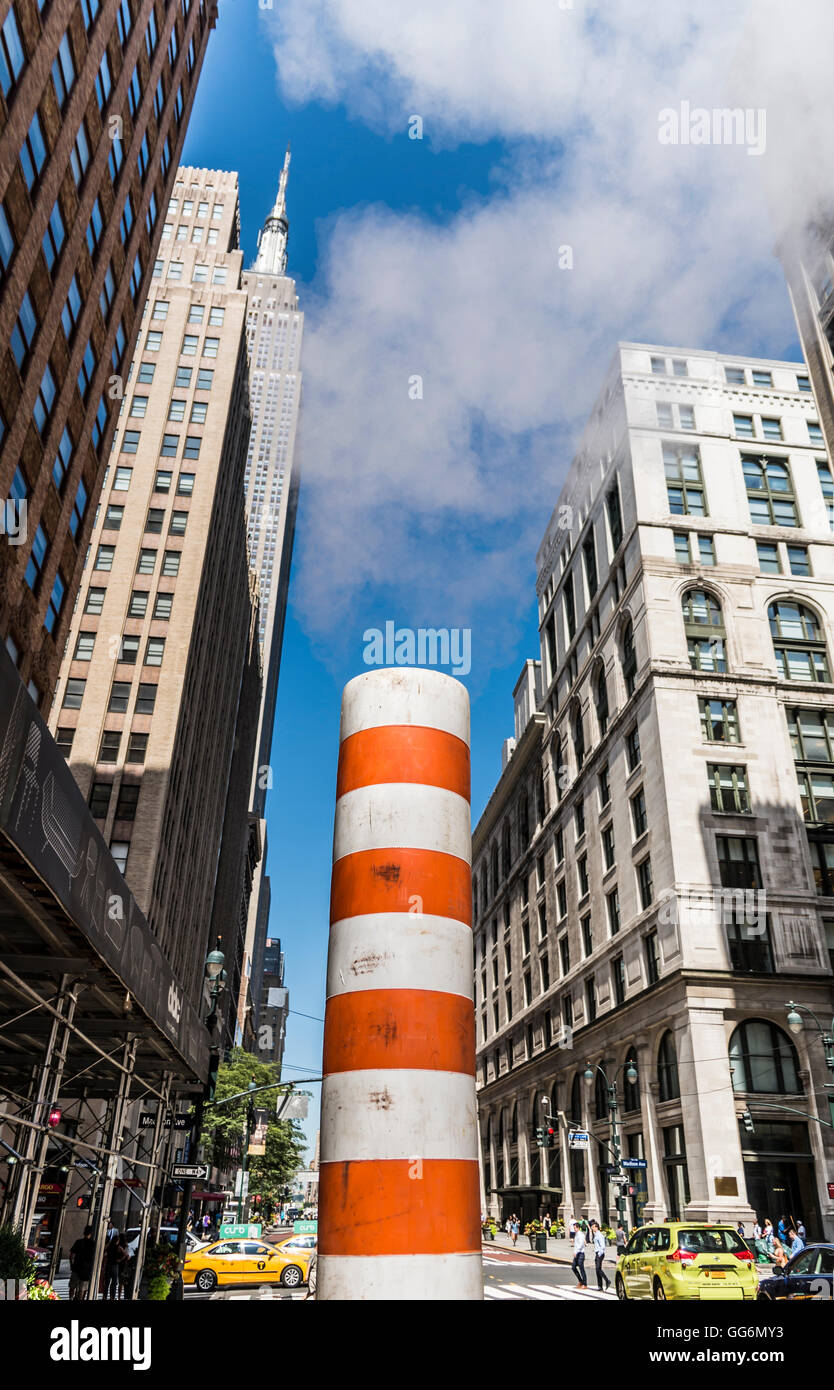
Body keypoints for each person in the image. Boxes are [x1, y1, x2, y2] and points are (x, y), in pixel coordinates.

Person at [68, 1225, 96, 1301]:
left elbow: (71, 1256)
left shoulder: (78, 1242)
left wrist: (72, 1265)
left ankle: (70, 1298)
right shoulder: (93, 1244)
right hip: (86, 1270)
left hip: (76, 1267)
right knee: (82, 1289)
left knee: (72, 1286)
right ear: (91, 1233)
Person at [103, 1227, 126, 1300]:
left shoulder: (109, 1247)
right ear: (118, 1241)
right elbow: (125, 1254)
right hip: (115, 1266)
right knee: (114, 1283)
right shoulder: (119, 1247)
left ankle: (104, 1297)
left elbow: (104, 1251)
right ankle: (112, 1297)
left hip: (108, 1265)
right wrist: (120, 1259)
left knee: (107, 1283)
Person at [591, 1221, 610, 1292]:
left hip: (600, 1254)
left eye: (593, 1227)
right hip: (597, 1253)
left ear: (596, 1227)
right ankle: (600, 1286)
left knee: (598, 1269)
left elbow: (603, 1246)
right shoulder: (596, 1234)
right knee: (597, 1270)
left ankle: (607, 1281)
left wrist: (599, 1254)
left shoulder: (599, 1235)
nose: (592, 1228)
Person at [571, 1221, 587, 1289]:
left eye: (575, 1228)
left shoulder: (581, 1234)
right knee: (573, 1267)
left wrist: (576, 1252)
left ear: (578, 1228)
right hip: (577, 1253)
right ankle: (580, 1281)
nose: (574, 1229)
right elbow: (576, 1244)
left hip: (580, 1254)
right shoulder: (576, 1234)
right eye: (574, 1228)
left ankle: (585, 1283)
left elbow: (580, 1245)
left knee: (581, 1268)